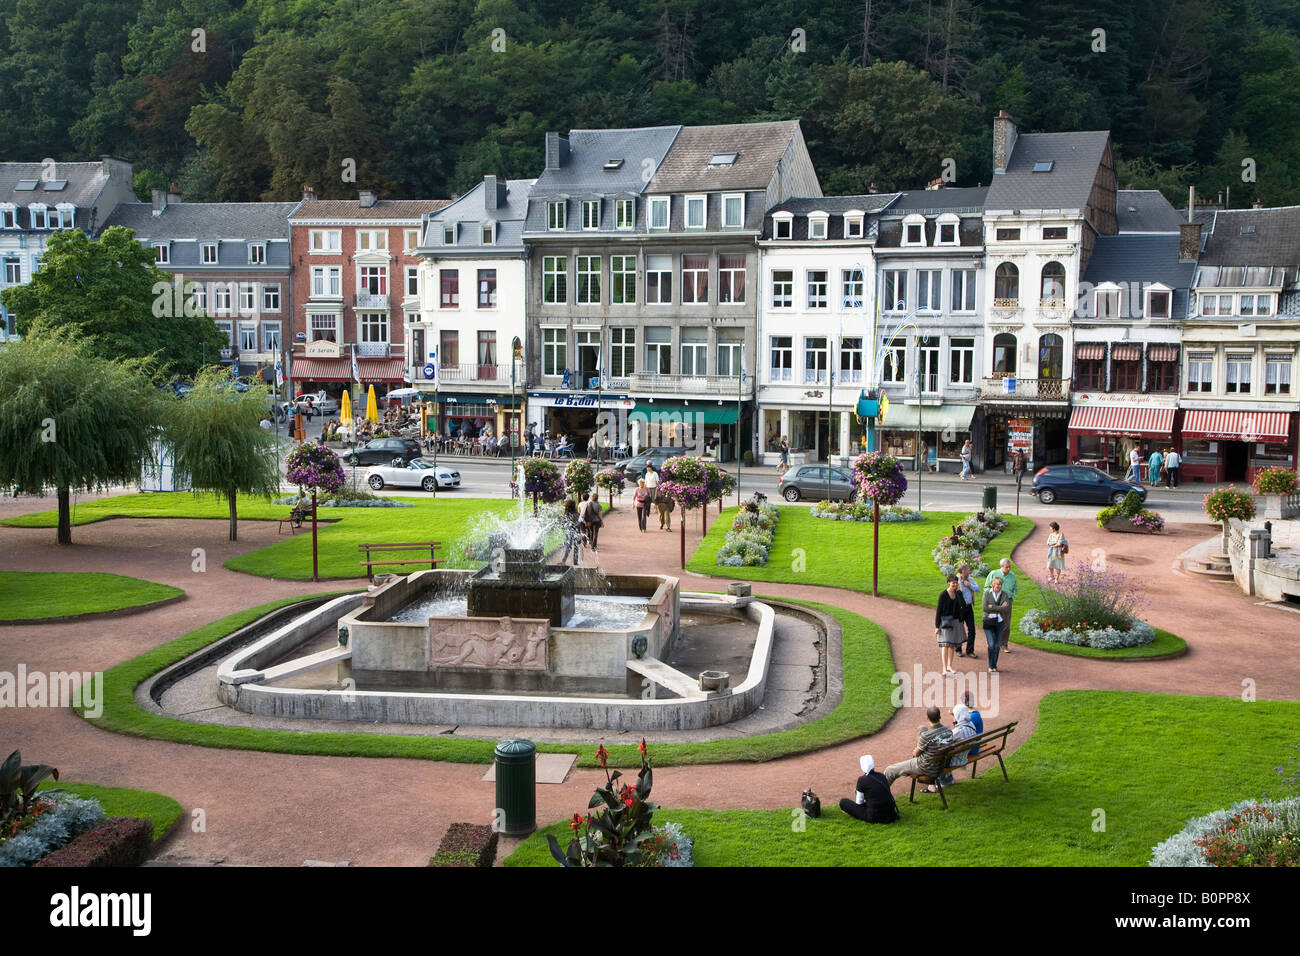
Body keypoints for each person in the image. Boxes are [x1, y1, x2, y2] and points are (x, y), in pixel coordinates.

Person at [883, 707, 953, 786]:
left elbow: (915, 754)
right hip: (940, 765)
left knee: (890, 770)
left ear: (927, 718)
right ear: (940, 717)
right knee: (922, 728)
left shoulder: (926, 736)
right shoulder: (948, 730)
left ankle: (881, 795)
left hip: (926, 767)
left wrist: (919, 746)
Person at [839, 755, 899, 823]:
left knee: (843, 802)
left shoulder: (862, 780)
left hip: (874, 817)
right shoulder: (882, 776)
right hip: (890, 814)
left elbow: (859, 803)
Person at [937, 703, 980, 788]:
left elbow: (940, 742)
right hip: (964, 756)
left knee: (939, 753)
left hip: (956, 760)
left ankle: (945, 781)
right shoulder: (971, 725)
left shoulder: (957, 732)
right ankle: (948, 779)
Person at [935, 574, 967, 676]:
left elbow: (963, 606)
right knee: (945, 645)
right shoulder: (943, 595)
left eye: (956, 583)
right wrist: (936, 626)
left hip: (956, 622)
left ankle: (950, 666)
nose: (955, 584)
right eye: (953, 583)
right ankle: (944, 668)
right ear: (948, 582)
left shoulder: (958, 594)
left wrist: (959, 594)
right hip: (945, 622)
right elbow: (938, 611)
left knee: (952, 645)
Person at [984, 558, 1018, 654]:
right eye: (1007, 567)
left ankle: (1004, 644)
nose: (1009, 569)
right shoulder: (993, 574)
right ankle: (992, 641)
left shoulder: (1012, 576)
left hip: (1007, 602)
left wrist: (1012, 597)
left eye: (1009, 567)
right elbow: (986, 587)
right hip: (995, 601)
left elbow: (1015, 588)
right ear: (1001, 567)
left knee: (1006, 624)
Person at [982, 574, 1012, 672]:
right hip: (989, 622)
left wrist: (993, 607)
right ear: (992, 585)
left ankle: (994, 665)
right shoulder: (987, 594)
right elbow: (985, 608)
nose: (998, 586)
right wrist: (999, 608)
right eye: (996, 585)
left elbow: (1006, 608)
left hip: (1000, 622)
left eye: (1000, 585)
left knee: (997, 645)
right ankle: (991, 666)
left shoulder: (1004, 594)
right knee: (991, 644)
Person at [956, 563, 980, 659]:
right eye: (968, 570)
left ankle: (970, 650)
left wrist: (970, 586)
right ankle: (958, 649)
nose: (969, 571)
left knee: (972, 630)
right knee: (959, 629)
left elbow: (978, 589)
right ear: (962, 572)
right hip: (959, 608)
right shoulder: (956, 580)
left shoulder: (970, 580)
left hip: (969, 607)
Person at [559, 498, 582, 566]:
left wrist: (564, 530)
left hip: (568, 531)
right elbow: (578, 524)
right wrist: (579, 533)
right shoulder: (576, 514)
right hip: (575, 531)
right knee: (576, 547)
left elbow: (563, 524)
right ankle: (575, 562)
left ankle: (564, 560)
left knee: (568, 546)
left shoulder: (566, 514)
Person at [1046, 520, 1068, 585]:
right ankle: (1052, 576)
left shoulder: (1061, 534)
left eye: (1050, 527)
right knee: (1050, 565)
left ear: (1054, 528)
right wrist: (1056, 543)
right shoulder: (1051, 535)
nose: (1050, 529)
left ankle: (1057, 578)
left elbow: (1060, 543)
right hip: (1052, 552)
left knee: (1058, 566)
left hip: (1058, 553)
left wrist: (1054, 544)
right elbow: (1048, 543)